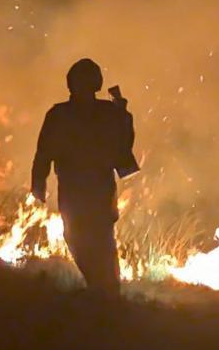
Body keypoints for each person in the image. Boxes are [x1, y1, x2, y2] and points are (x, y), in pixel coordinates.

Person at [31, 58, 139, 295]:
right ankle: (105, 288)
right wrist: (122, 112)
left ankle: (104, 288)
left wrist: (39, 181)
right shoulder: (104, 112)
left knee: (85, 238)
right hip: (91, 188)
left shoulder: (62, 113)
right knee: (92, 239)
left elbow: (43, 151)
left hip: (82, 188)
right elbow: (124, 142)